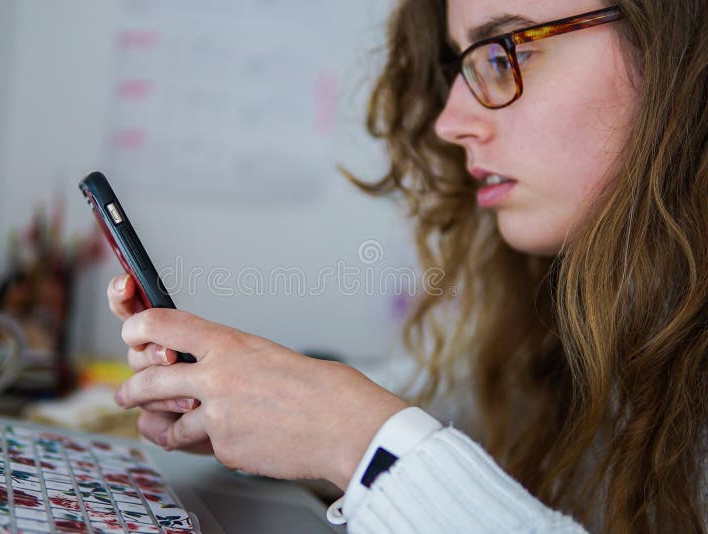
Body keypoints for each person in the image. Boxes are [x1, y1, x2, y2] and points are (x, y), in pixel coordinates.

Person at [107, 1, 708, 532]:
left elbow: (383, 432)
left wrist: (357, 439)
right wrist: (251, 402)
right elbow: (433, 405)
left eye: (504, 54)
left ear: (673, 48)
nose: (450, 122)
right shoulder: (555, 306)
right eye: (462, 64)